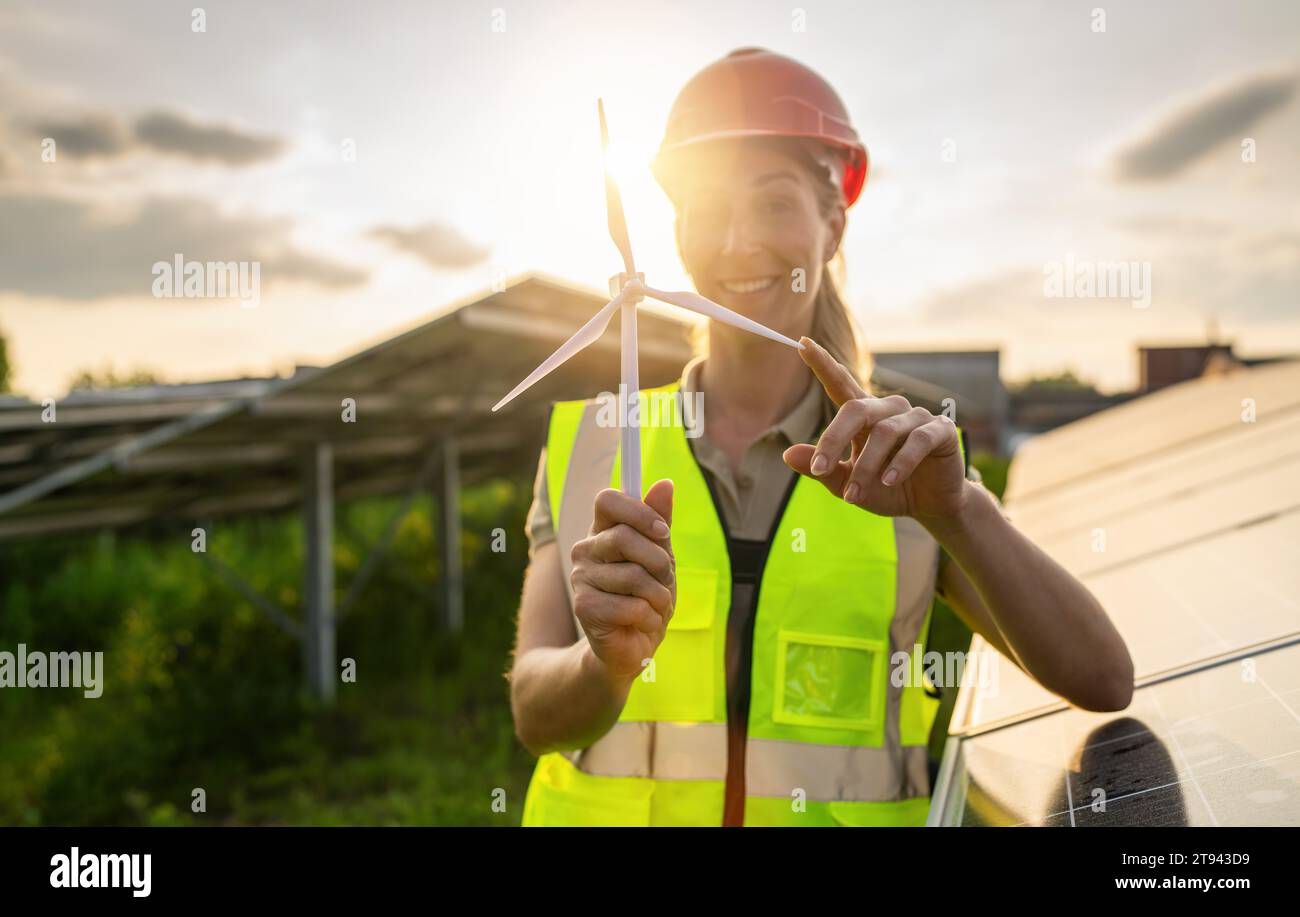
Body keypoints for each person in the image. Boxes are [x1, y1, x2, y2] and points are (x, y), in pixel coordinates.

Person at [507, 47, 1133, 827]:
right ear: (675, 230)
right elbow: (535, 713)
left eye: (774, 203)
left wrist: (958, 512)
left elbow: (1103, 678)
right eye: (709, 207)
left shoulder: (905, 459)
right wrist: (603, 662)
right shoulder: (591, 441)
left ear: (833, 223)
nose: (738, 244)